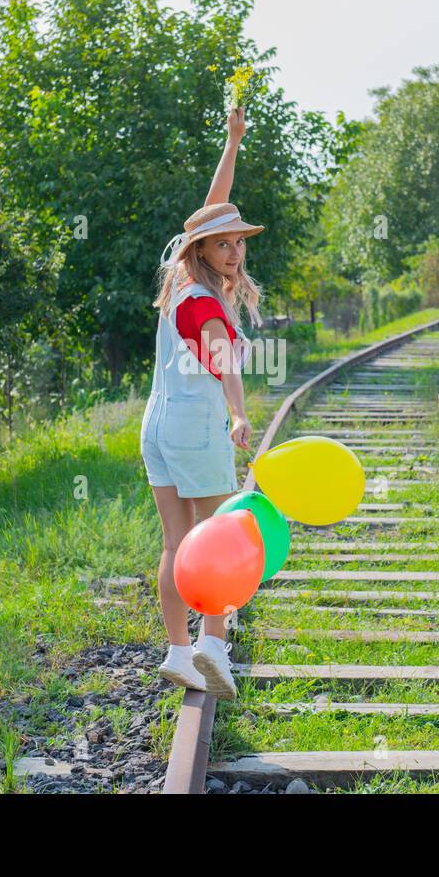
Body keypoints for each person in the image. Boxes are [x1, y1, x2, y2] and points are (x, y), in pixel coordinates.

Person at [140, 106, 263, 698]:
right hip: (195, 425)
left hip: (157, 426)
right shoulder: (205, 304)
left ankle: (178, 652)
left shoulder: (178, 281)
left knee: (175, 543)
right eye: (225, 245)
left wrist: (232, 142)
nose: (235, 253)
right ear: (204, 251)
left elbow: (211, 209)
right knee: (220, 535)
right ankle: (213, 646)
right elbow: (224, 363)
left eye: (239, 242)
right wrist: (239, 413)